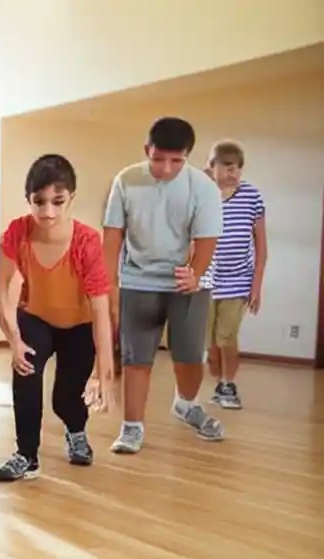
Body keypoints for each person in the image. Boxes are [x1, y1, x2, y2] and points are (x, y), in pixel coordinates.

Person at [104, 116, 225, 453]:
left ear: (187, 157)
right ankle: (131, 428)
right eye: (158, 159)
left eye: (176, 161)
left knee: (188, 355)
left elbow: (207, 238)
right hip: (138, 277)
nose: (166, 169)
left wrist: (195, 273)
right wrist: (108, 285)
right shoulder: (126, 181)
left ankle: (186, 404)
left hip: (187, 281)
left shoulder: (203, 188)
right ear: (147, 150)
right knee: (135, 356)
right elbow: (113, 236)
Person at [0, 154, 115, 481]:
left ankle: (76, 431)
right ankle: (26, 455)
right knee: (26, 375)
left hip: (79, 325)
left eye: (57, 202)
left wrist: (105, 371)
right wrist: (14, 341)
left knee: (65, 398)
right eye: (39, 202)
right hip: (35, 318)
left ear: (70, 198)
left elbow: (101, 308)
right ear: (28, 200)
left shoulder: (87, 241)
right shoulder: (17, 232)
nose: (48, 211)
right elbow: (3, 290)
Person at [200, 139, 267, 410]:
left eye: (238, 168)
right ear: (212, 167)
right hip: (205, 280)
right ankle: (219, 382)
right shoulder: (202, 194)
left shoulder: (252, 196)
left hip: (237, 280)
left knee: (226, 336)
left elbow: (262, 246)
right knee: (210, 344)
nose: (234, 173)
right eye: (227, 167)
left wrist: (256, 287)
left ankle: (229, 385)